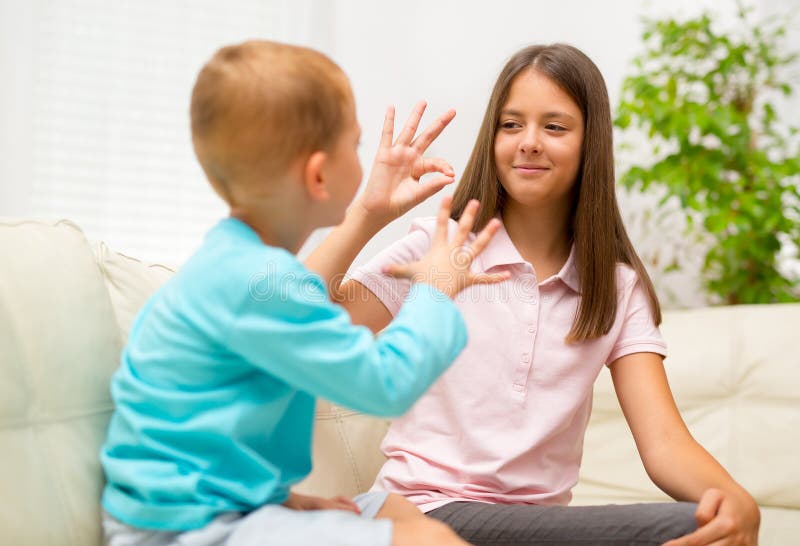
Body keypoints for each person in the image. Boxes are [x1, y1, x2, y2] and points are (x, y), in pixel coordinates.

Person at [321, 44, 761, 545]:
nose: (529, 142)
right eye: (511, 125)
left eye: (554, 127)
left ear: (590, 143)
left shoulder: (615, 287)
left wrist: (735, 499)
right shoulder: (441, 246)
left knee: (712, 525)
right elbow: (297, 319)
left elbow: (663, 443)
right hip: (426, 513)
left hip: (533, 527)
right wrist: (367, 215)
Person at [99, 39, 511, 546]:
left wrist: (284, 501)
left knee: (397, 510)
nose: (366, 159)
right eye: (356, 145)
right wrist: (435, 290)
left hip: (206, 507)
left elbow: (202, 433)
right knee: (433, 542)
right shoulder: (257, 284)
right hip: (181, 530)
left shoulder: (236, 265)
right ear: (318, 175)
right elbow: (385, 384)